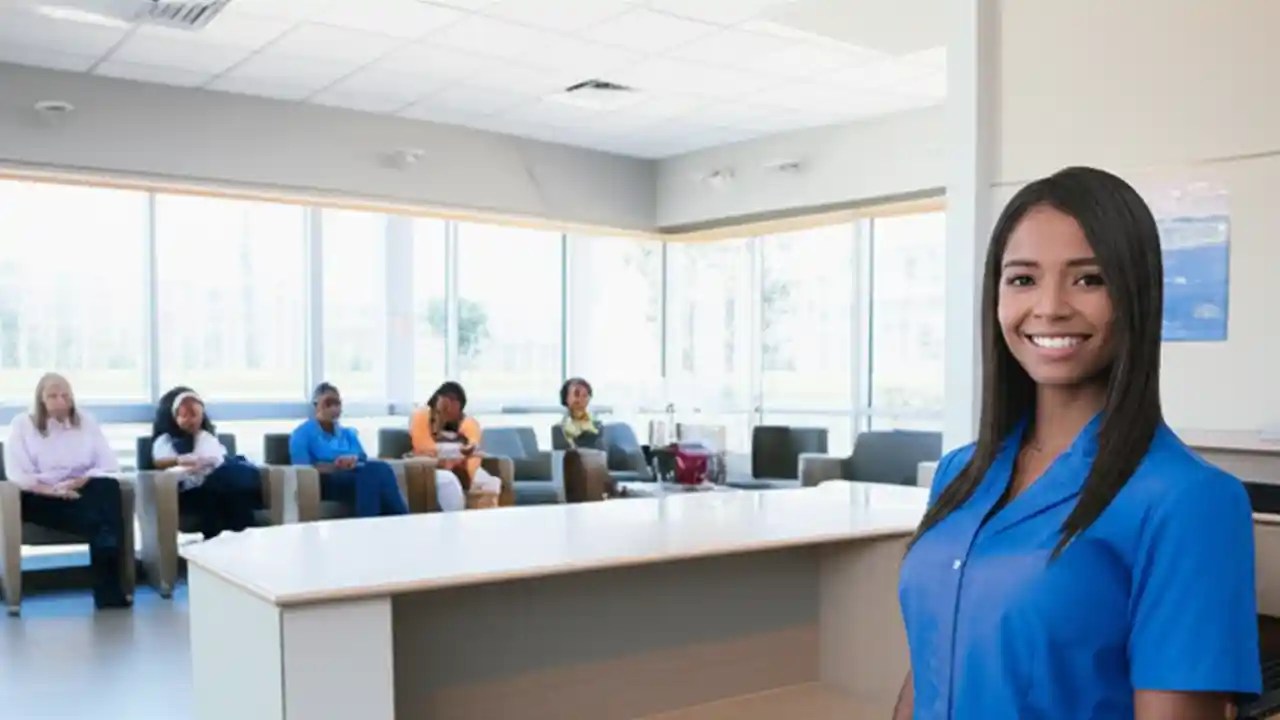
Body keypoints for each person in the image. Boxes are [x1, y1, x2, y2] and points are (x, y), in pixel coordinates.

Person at [895, 167, 1260, 719]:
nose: (1050, 307)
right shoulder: (959, 472)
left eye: (1089, 279)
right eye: (1022, 279)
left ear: (1136, 294)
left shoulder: (1190, 502)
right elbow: (927, 672)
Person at [3, 373, 130, 609]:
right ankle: (108, 584)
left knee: (107, 486)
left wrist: (81, 481)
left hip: (80, 488)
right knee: (102, 522)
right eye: (53, 396)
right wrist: (53, 491)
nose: (60, 401)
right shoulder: (22, 424)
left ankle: (107, 586)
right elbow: (18, 475)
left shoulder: (86, 421)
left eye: (65, 395)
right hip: (41, 494)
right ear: (40, 399)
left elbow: (109, 464)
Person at [150, 387, 263, 539]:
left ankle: (238, 541)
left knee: (231, 491)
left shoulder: (205, 437)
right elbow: (169, 467)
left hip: (215, 481)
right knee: (223, 490)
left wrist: (206, 462)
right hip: (188, 491)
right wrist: (188, 463)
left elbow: (217, 457)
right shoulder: (164, 442)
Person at [289, 383, 408, 518]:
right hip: (327, 481)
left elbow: (362, 457)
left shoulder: (347, 433)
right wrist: (335, 466)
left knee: (380, 468)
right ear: (316, 405)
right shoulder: (302, 434)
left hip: (355, 475)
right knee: (372, 475)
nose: (334, 408)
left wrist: (352, 461)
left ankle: (394, 520)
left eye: (337, 403)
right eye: (328, 403)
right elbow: (302, 468)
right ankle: (394, 521)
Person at [409, 381, 501, 510]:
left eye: (454, 403)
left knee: (492, 483)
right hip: (431, 467)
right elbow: (423, 446)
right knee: (449, 481)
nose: (448, 409)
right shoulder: (422, 415)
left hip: (462, 467)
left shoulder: (467, 422)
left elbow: (473, 445)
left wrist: (469, 472)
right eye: (445, 404)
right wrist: (454, 454)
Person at [556, 377, 603, 450]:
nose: (581, 399)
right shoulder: (565, 425)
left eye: (585, 395)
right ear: (566, 398)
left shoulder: (592, 421)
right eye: (577, 395)